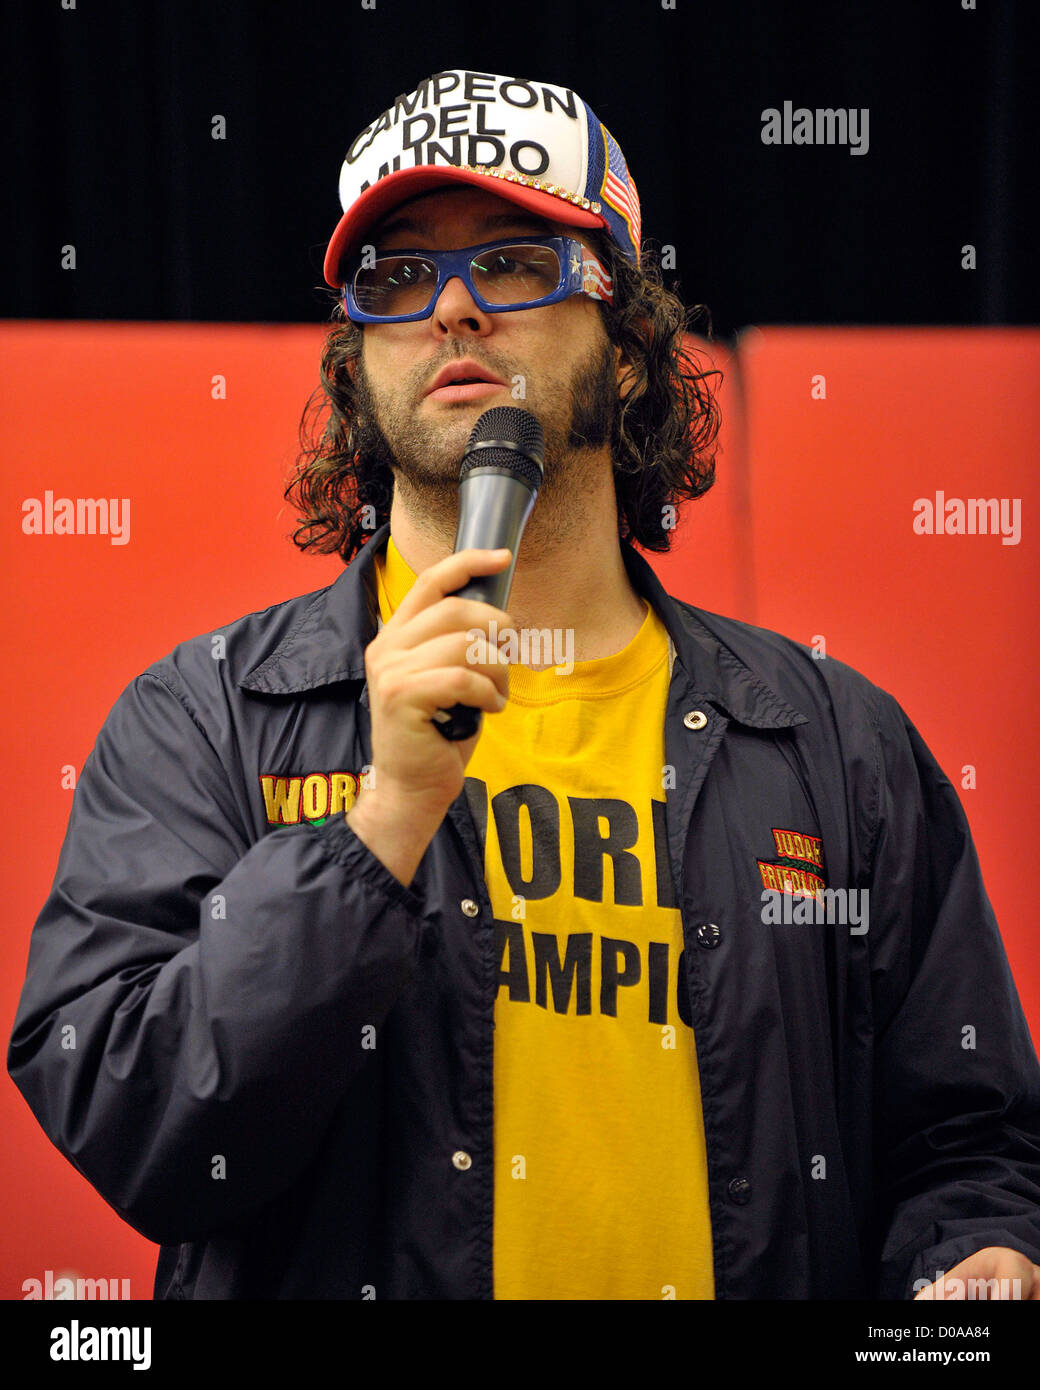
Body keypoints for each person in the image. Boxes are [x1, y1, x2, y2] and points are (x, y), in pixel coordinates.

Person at [9, 68, 1040, 1302]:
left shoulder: (834, 740)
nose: (450, 312)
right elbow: (144, 1135)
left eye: (511, 263)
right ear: (353, 369)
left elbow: (965, 1139)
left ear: (632, 342)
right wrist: (379, 823)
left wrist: (975, 1254)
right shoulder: (207, 718)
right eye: (394, 277)